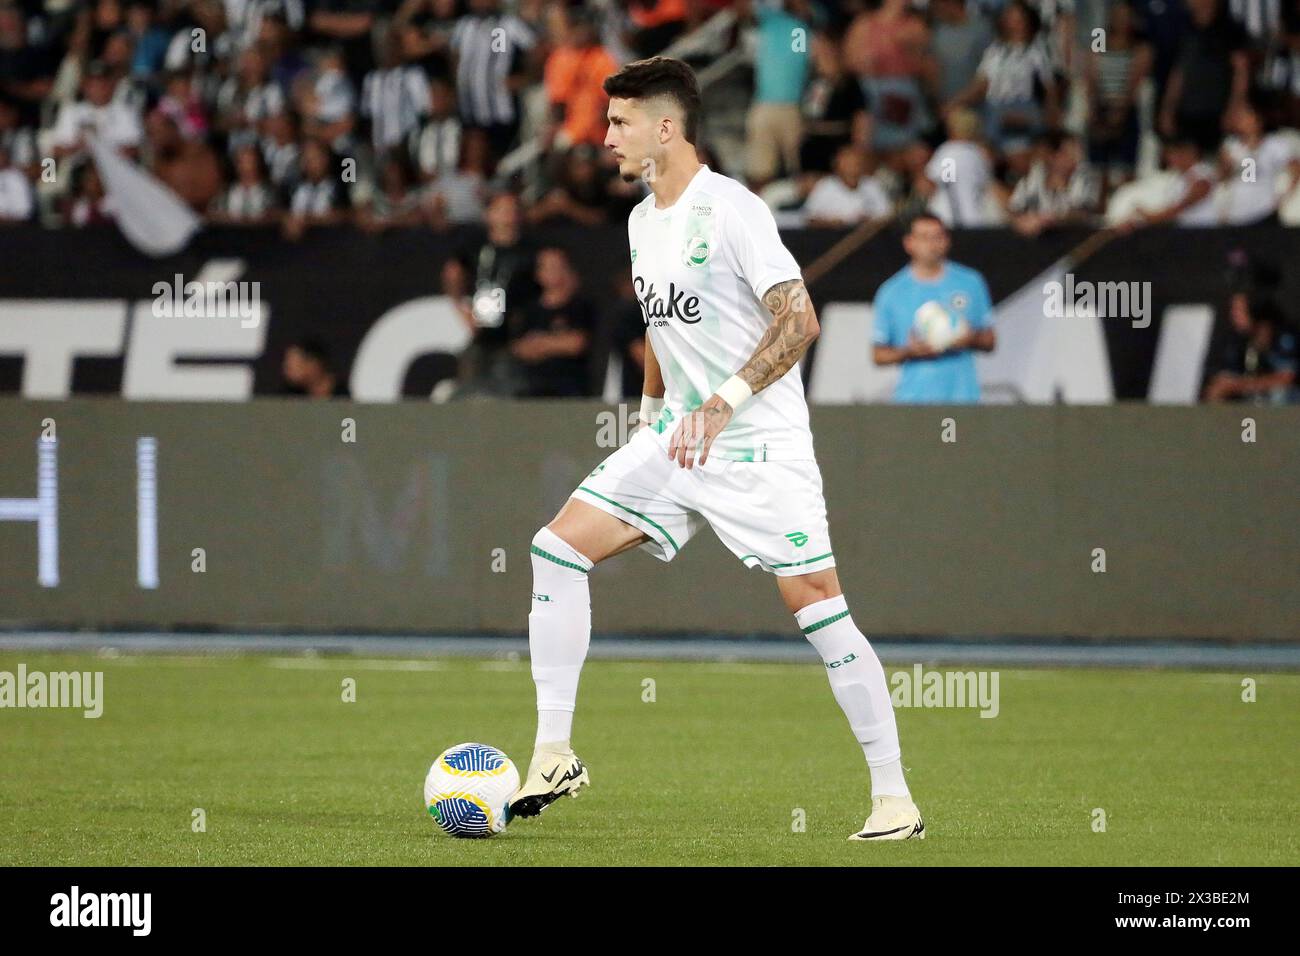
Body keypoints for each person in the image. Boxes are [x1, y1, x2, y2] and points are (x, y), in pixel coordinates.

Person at [510, 56, 924, 843]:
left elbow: (798, 322)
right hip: (677, 442)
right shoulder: (640, 221)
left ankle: (894, 799)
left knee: (820, 610)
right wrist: (650, 420)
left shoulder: (733, 211)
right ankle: (555, 752)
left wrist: (726, 404)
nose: (605, 138)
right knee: (554, 549)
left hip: (759, 444)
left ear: (666, 129)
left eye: (620, 123)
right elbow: (659, 331)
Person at [872, 213, 996, 403]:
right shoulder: (891, 291)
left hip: (963, 399)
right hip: (914, 400)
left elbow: (990, 341)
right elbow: (878, 355)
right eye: (924, 237)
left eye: (938, 236)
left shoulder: (970, 282)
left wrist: (970, 338)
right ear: (909, 243)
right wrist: (909, 352)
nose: (932, 244)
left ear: (947, 241)